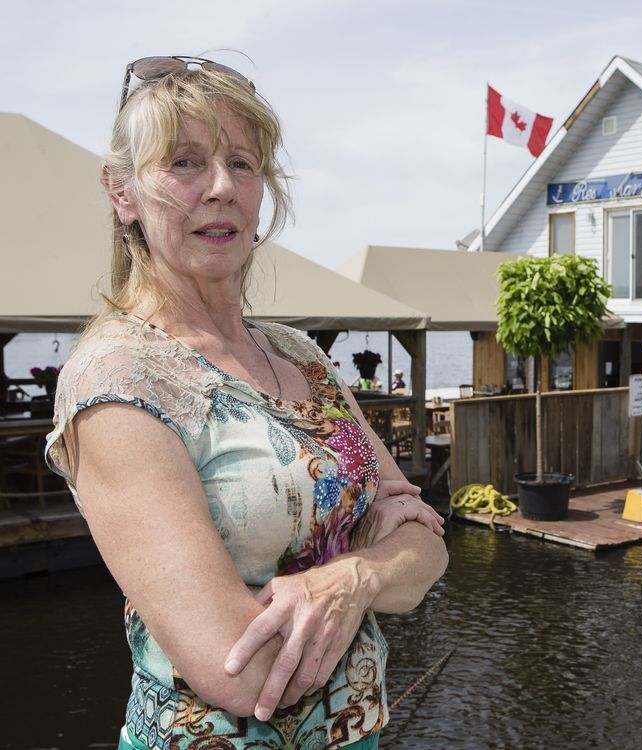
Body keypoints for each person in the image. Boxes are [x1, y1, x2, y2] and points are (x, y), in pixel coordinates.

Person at [44, 56, 448, 749]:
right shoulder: (117, 379)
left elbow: (430, 551)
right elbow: (244, 668)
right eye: (185, 163)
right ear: (121, 192)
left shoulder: (300, 356)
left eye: (243, 162)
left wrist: (353, 578)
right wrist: (376, 548)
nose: (222, 188)